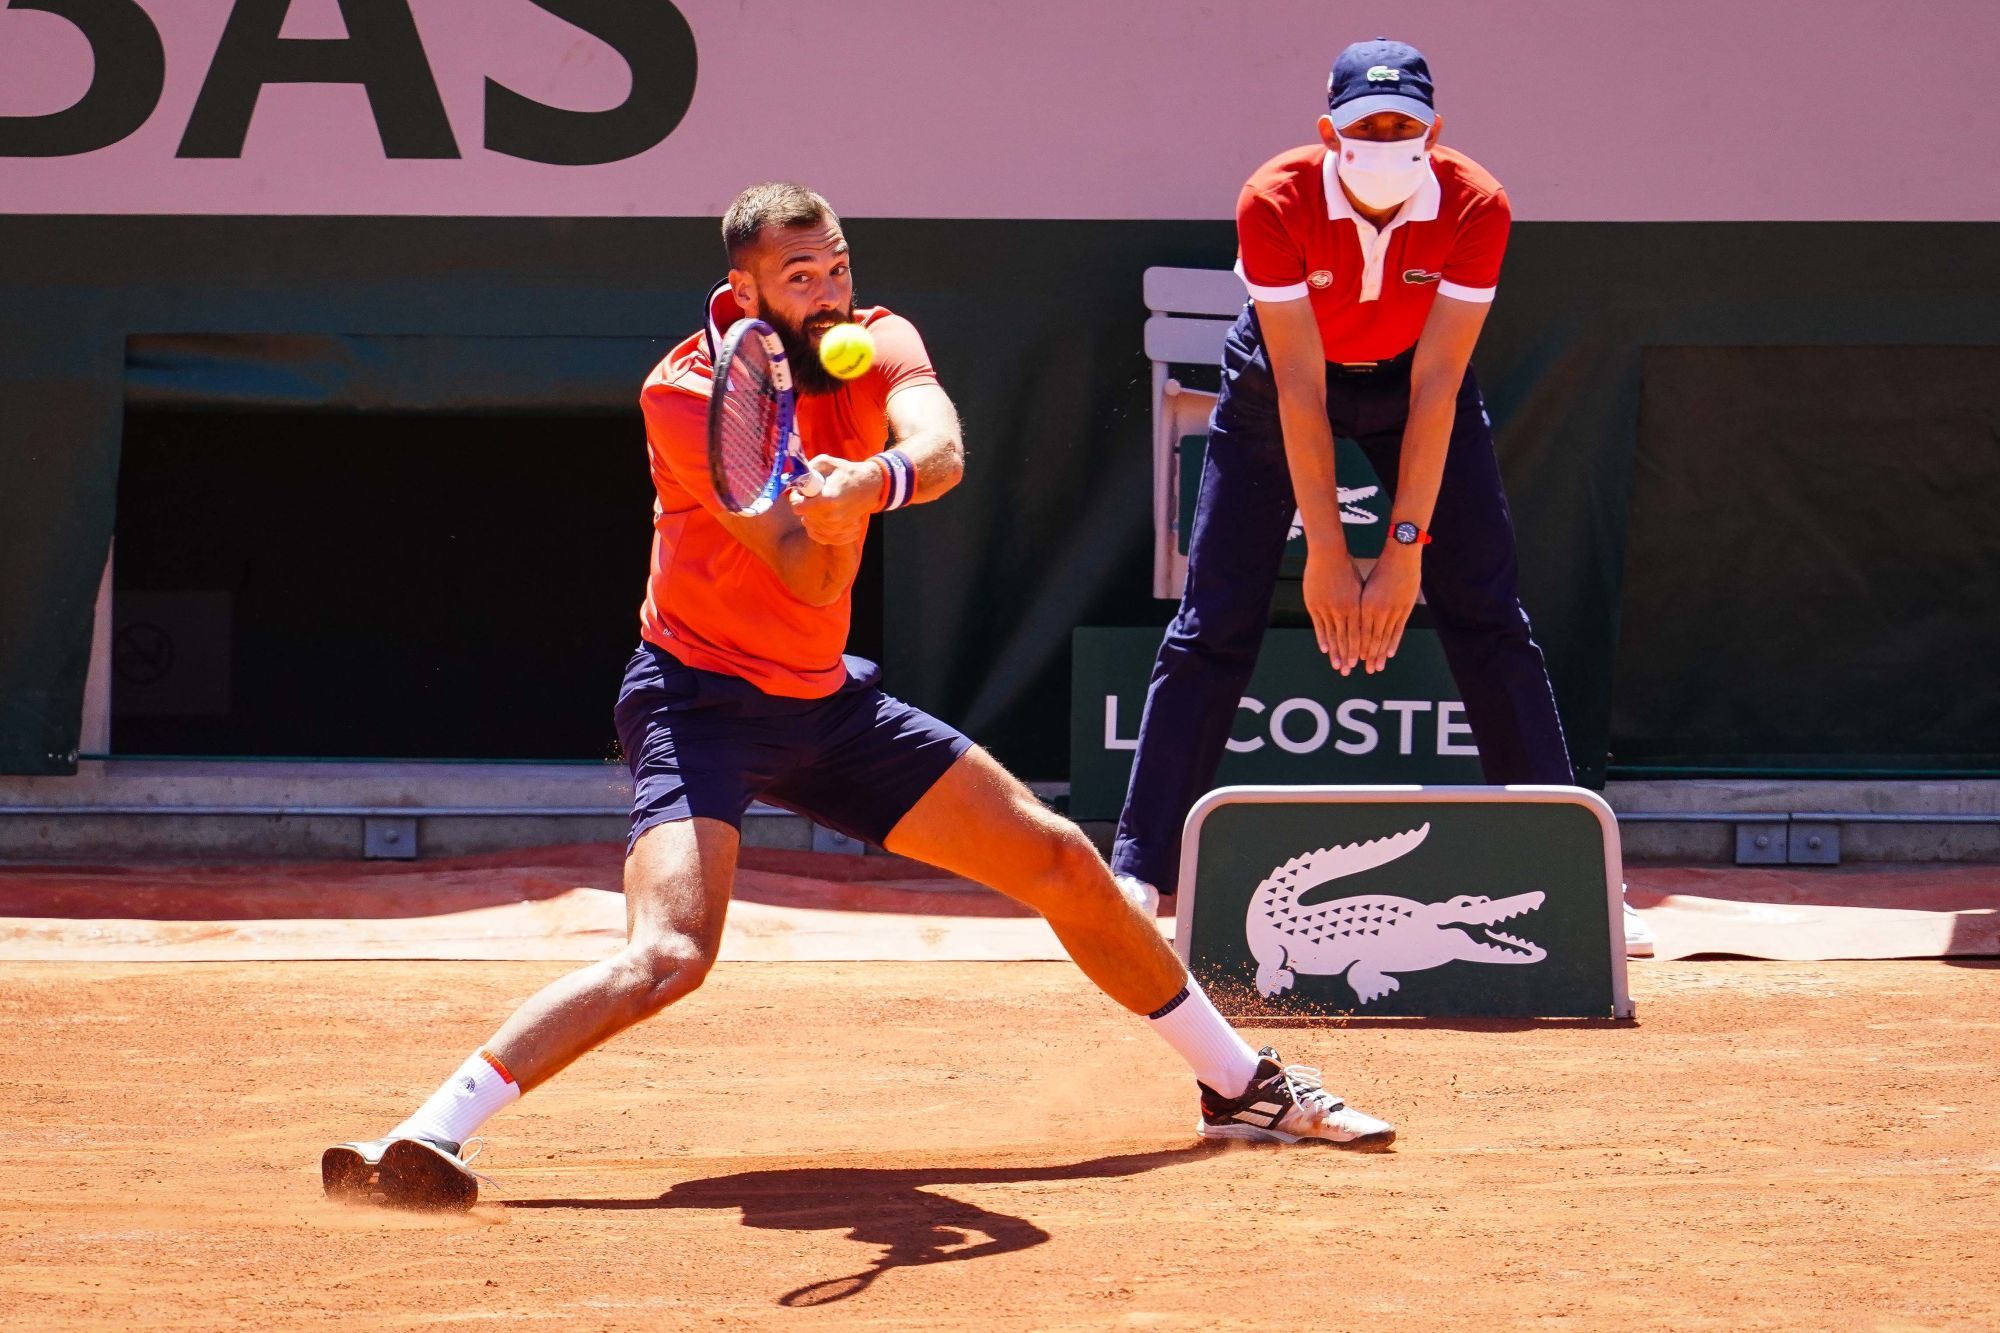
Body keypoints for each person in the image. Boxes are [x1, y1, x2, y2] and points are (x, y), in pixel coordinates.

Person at [322, 181, 1393, 1211]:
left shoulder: (877, 336)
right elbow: (801, 571)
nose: (828, 293)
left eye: (836, 266)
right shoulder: (684, 392)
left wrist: (868, 483)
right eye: (799, 276)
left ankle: (1239, 1087)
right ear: (743, 294)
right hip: (697, 701)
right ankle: (420, 1134)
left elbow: (943, 445)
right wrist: (830, 526)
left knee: (1060, 858)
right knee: (671, 955)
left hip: (826, 705)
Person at [1109, 39, 1655, 959]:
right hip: (1279, 381)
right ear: (1331, 132)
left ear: (1433, 132)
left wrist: (1402, 550)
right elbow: (1299, 388)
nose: (1387, 139)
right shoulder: (1274, 197)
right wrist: (1326, 548)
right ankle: (1140, 870)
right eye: (1368, 125)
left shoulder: (1478, 202)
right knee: (1214, 622)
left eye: (1405, 125)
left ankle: (1577, 878)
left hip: (1415, 383)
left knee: (1487, 610)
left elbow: (1440, 380)